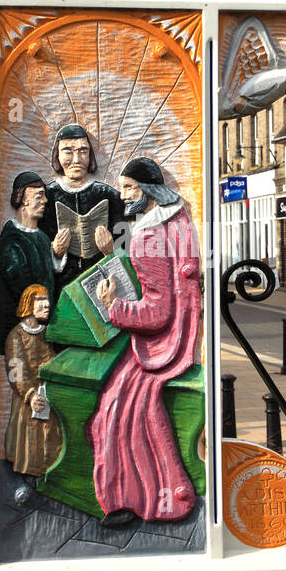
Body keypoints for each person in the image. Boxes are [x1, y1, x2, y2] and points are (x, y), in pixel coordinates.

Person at [88, 157, 201, 528]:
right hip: (186, 331)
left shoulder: (148, 237)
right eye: (122, 188)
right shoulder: (177, 222)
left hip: (164, 344)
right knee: (117, 406)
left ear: (150, 190)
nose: (124, 196)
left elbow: (156, 312)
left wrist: (112, 305)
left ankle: (140, 500)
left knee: (115, 410)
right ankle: (156, 496)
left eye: (130, 188)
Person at [40, 124, 126, 288]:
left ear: (90, 155)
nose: (76, 159)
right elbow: (35, 254)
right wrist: (54, 251)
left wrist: (111, 250)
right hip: (62, 289)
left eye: (83, 151)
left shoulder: (109, 195)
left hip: (104, 286)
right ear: (57, 155)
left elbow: (128, 246)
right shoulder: (46, 197)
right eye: (68, 151)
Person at [3, 283, 63, 509]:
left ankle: (49, 480)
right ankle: (28, 484)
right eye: (40, 301)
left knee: (51, 437)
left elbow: (51, 359)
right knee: (30, 442)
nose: (46, 305)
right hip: (28, 398)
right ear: (29, 304)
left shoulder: (46, 333)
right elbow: (16, 369)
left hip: (48, 393)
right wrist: (29, 394)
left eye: (47, 300)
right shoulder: (16, 336)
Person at [0, 172, 67, 354]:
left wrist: (56, 254)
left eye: (44, 195)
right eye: (38, 196)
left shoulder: (41, 237)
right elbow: (22, 287)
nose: (45, 201)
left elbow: (46, 272)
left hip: (42, 325)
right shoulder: (12, 240)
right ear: (23, 200)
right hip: (23, 331)